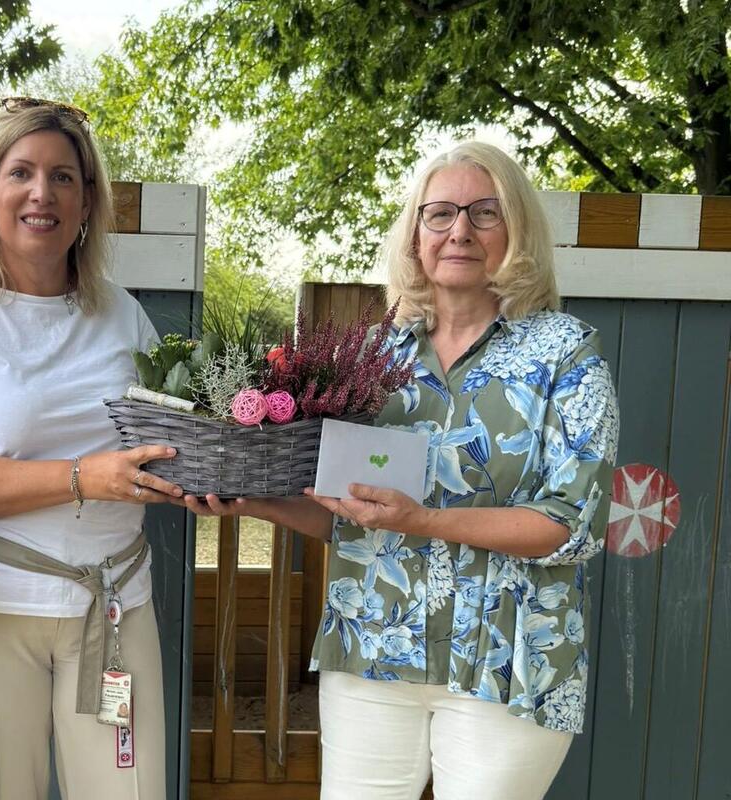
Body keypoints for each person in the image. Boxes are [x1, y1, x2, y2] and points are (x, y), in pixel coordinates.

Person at [186, 141, 620, 800]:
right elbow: (347, 517)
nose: (460, 231)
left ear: (517, 229)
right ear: (415, 234)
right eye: (439, 213)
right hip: (373, 652)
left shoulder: (565, 352)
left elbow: (571, 526)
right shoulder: (367, 359)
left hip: (508, 661)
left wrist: (425, 520)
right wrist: (250, 500)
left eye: (484, 212)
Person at [0, 97, 182, 800]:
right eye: (20, 172)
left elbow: (167, 435)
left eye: (64, 176)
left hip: (115, 607)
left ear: (87, 200)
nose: (42, 192)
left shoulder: (122, 313)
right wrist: (86, 476)